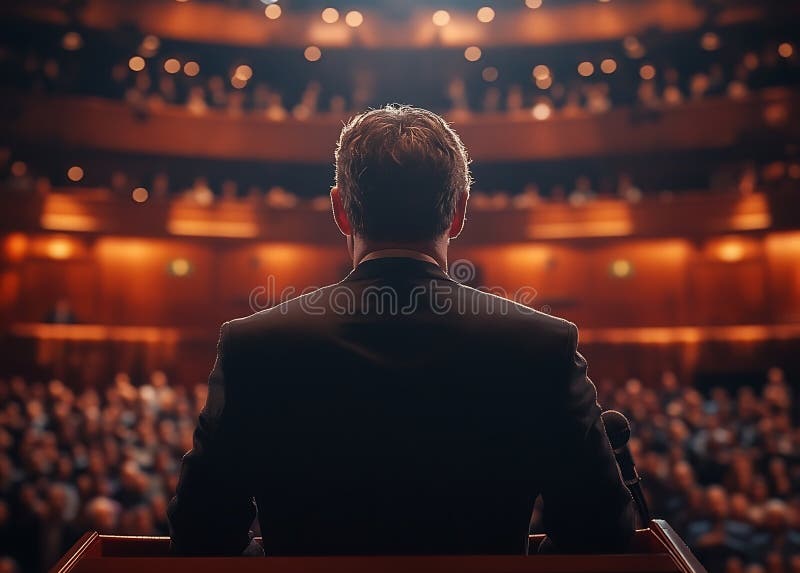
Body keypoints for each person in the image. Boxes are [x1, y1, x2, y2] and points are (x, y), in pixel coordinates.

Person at [167, 105, 635, 557]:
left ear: (340, 211)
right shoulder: (543, 346)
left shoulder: (253, 347)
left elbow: (202, 534)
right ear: (459, 210)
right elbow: (599, 535)